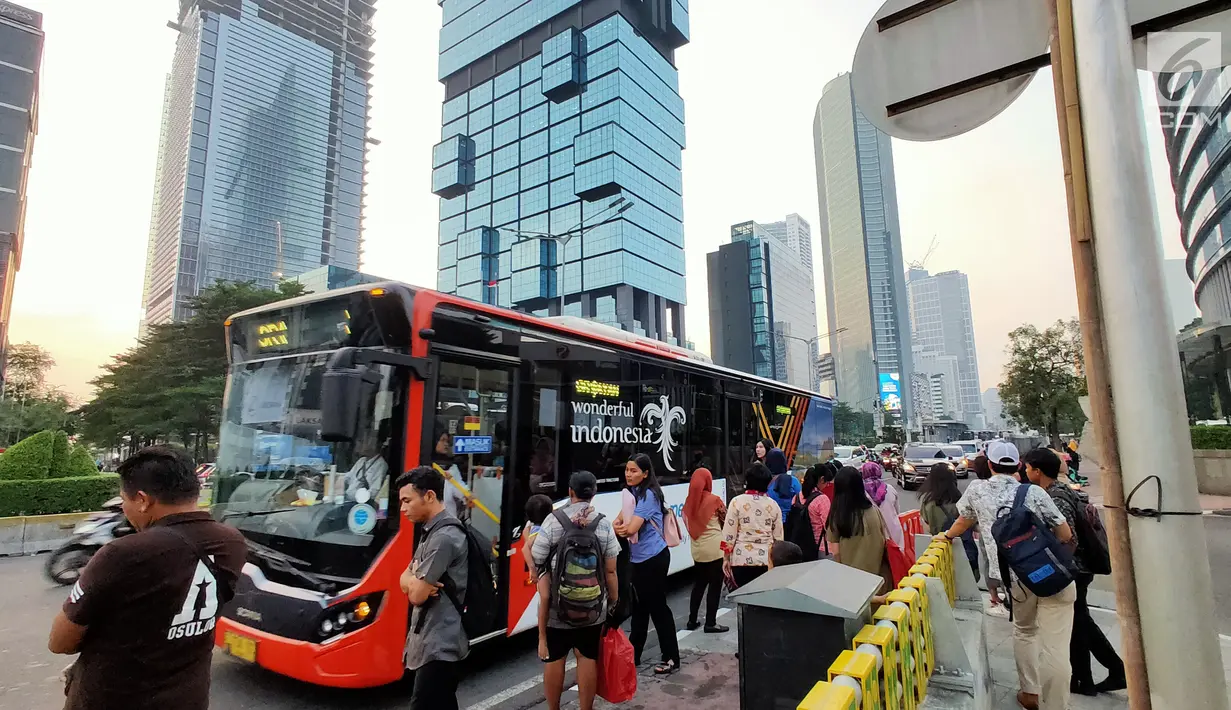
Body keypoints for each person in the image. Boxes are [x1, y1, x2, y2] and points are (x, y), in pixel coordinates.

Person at [48, 446, 247, 710]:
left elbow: (60, 642)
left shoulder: (122, 554)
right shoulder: (232, 542)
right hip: (188, 699)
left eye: (124, 500)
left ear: (142, 500)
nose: (124, 508)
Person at [935, 441, 1075, 710]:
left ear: (989, 465)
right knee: (1056, 647)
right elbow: (1065, 533)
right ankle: (1057, 705)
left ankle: (1030, 693)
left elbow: (962, 521)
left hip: (1018, 580)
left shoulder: (977, 490)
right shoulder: (1034, 492)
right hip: (1054, 577)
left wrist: (946, 537)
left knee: (1025, 632)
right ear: (1018, 466)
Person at [1021, 448, 1125, 697]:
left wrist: (1054, 563)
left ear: (1037, 470)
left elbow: (1070, 538)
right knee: (1079, 622)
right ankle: (1091, 678)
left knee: (1078, 623)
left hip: (1073, 569)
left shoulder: (1056, 498)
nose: (1024, 472)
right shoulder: (1060, 490)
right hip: (1077, 568)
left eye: (1027, 468)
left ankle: (1105, 673)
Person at [532, 471, 620, 710]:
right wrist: (612, 601)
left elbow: (538, 556)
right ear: (594, 494)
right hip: (592, 607)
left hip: (558, 606)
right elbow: (611, 570)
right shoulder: (602, 523)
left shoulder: (553, 520)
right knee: (587, 657)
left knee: (555, 657)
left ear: (570, 492)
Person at [398, 466, 470, 710]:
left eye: (407, 500)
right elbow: (403, 578)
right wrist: (412, 579)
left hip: (440, 644)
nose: (402, 508)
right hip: (431, 641)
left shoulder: (444, 537)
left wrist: (413, 580)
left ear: (429, 496)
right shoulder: (431, 530)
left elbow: (417, 595)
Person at [613, 453, 680, 675]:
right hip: (639, 559)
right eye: (627, 470)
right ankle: (634, 655)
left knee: (658, 608)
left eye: (634, 471)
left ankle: (671, 657)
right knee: (640, 609)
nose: (629, 474)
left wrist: (623, 527)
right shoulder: (632, 494)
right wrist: (621, 526)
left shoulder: (649, 495)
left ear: (645, 473)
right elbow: (618, 522)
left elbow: (629, 528)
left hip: (654, 559)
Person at [827, 466, 892, 593]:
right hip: (880, 581)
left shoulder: (838, 516)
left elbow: (835, 552)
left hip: (853, 584)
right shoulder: (873, 510)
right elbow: (884, 539)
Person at [722, 462, 785, 588]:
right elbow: (779, 538)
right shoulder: (773, 505)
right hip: (766, 561)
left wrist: (726, 558)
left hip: (741, 559)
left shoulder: (736, 502)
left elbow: (729, 534)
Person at [683, 467, 728, 633]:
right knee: (715, 586)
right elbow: (726, 520)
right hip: (715, 549)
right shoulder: (715, 500)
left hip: (697, 550)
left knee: (699, 584)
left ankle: (692, 620)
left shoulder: (689, 502)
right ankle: (710, 623)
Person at [919, 461, 980, 581]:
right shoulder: (960, 499)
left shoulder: (928, 502)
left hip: (940, 551)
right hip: (965, 550)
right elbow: (972, 523)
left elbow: (927, 527)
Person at [860, 461, 904, 549]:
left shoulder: (860, 492)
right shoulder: (890, 489)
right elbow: (897, 511)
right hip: (893, 532)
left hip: (872, 535)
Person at [791, 464, 832, 558]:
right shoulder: (822, 499)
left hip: (799, 546)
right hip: (820, 548)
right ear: (822, 479)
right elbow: (828, 527)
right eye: (827, 482)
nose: (827, 485)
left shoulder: (796, 497)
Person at [766, 447, 799, 523]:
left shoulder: (763, 481)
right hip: (789, 523)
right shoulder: (793, 481)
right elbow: (800, 500)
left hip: (769, 523)